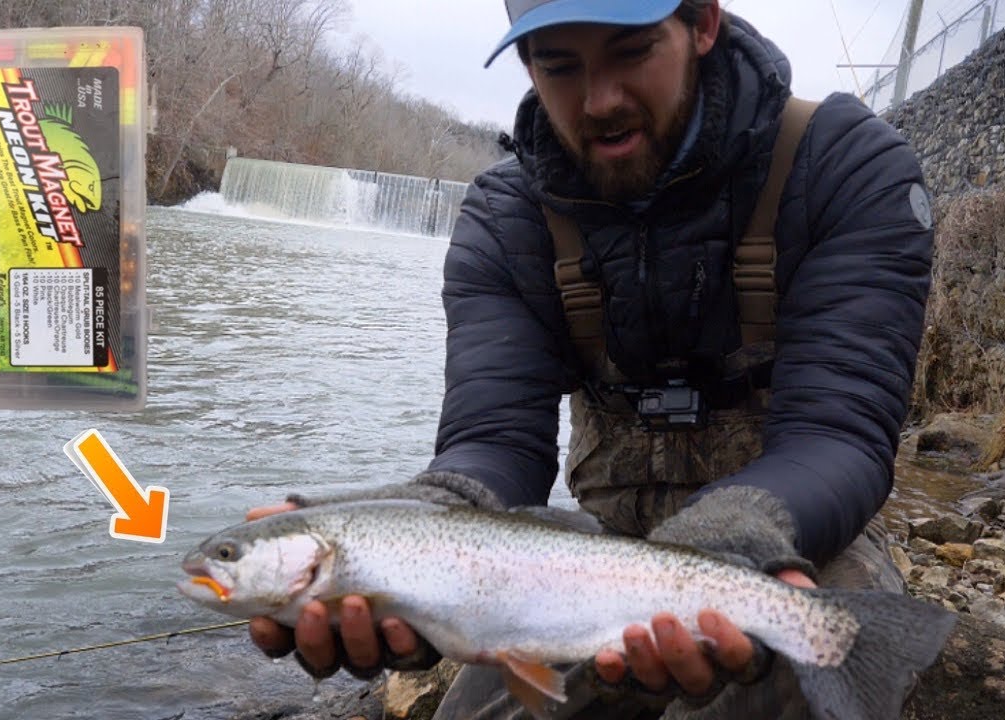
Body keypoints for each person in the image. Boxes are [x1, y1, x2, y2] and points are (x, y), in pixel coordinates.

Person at [249, 0, 934, 717]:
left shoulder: (845, 168)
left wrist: (729, 544)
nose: (600, 100)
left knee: (783, 686)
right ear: (526, 65)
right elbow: (495, 445)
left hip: (800, 534)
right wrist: (421, 528)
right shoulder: (505, 219)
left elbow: (838, 436)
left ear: (702, 24)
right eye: (560, 65)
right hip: (587, 561)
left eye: (631, 51)